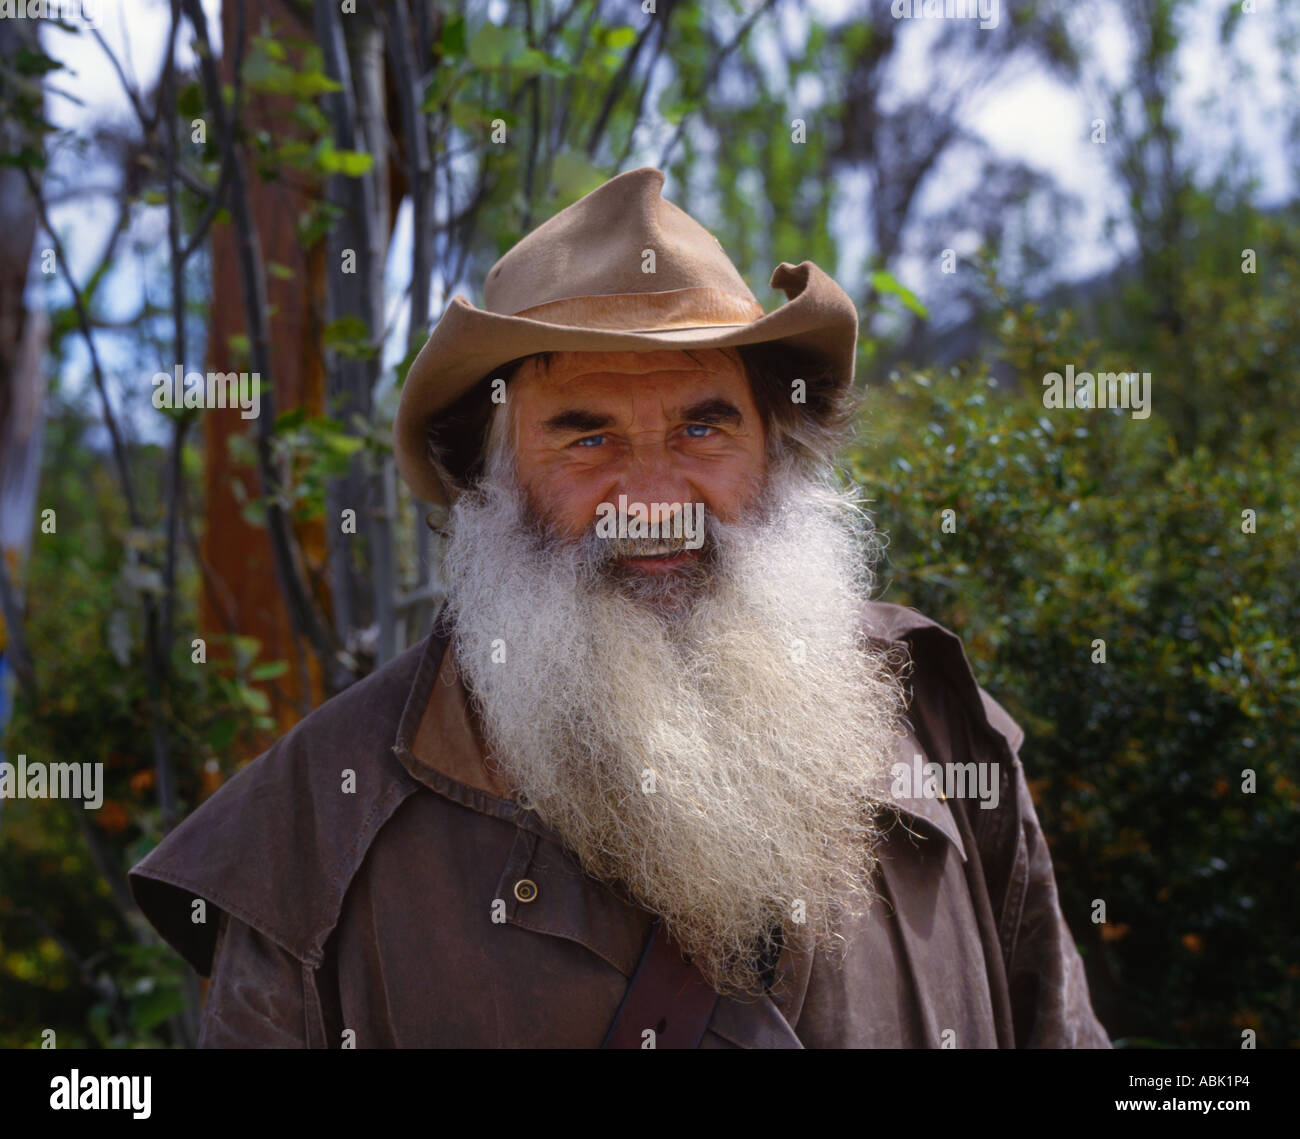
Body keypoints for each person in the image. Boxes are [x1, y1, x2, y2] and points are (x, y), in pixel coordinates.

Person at [129, 166, 1109, 1048]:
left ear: (776, 449)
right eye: (584, 438)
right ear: (488, 479)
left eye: (701, 425)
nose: (651, 494)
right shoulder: (321, 818)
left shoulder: (938, 723)